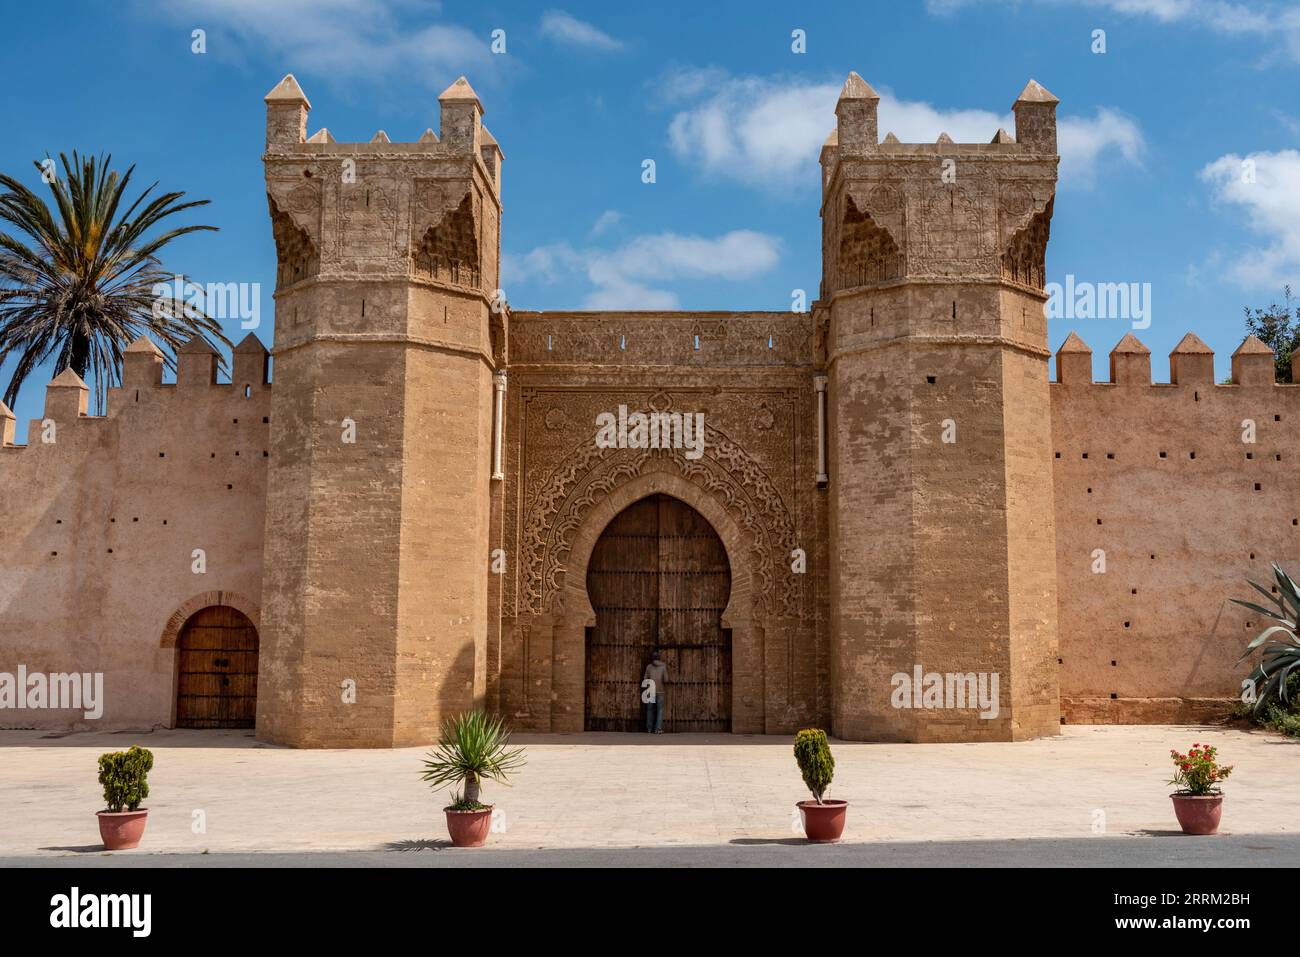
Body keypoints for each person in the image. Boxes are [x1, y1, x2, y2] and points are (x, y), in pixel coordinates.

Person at [643, 649, 667, 734]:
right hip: (660, 691)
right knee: (660, 710)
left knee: (649, 709)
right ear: (659, 658)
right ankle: (658, 729)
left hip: (650, 690)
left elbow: (645, 679)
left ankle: (649, 729)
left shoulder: (649, 667)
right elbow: (666, 679)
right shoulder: (663, 666)